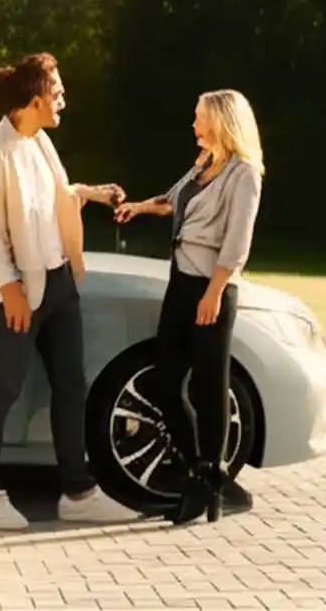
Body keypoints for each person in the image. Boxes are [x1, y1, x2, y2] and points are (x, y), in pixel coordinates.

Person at [0, 52, 142, 530]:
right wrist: (9, 290)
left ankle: (78, 494)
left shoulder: (40, 142)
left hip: (60, 283)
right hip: (19, 292)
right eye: (57, 91)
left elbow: (52, 196)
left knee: (71, 387)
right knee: (3, 388)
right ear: (35, 99)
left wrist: (90, 193)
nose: (64, 98)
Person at [114, 89, 264, 524]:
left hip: (211, 287)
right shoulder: (204, 164)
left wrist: (214, 293)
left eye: (199, 117)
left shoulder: (243, 174)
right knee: (166, 381)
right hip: (181, 283)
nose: (193, 124)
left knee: (209, 384)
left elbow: (238, 243)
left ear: (220, 120)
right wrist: (138, 208)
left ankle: (207, 484)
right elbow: (173, 199)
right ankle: (200, 475)